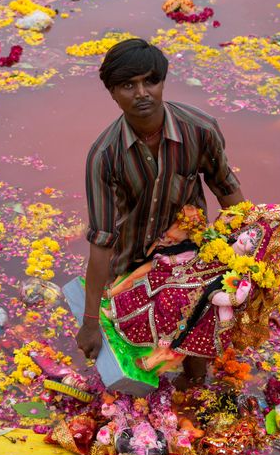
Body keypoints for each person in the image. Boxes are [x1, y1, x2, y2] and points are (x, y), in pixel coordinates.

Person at [77, 38, 246, 389]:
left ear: (163, 82)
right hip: (131, 262)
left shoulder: (199, 129)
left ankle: (194, 386)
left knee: (195, 352)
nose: (142, 93)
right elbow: (102, 242)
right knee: (133, 365)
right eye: (128, 85)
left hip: (191, 257)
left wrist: (245, 259)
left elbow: (228, 191)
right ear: (112, 93)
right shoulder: (104, 156)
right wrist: (90, 320)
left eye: (150, 82)